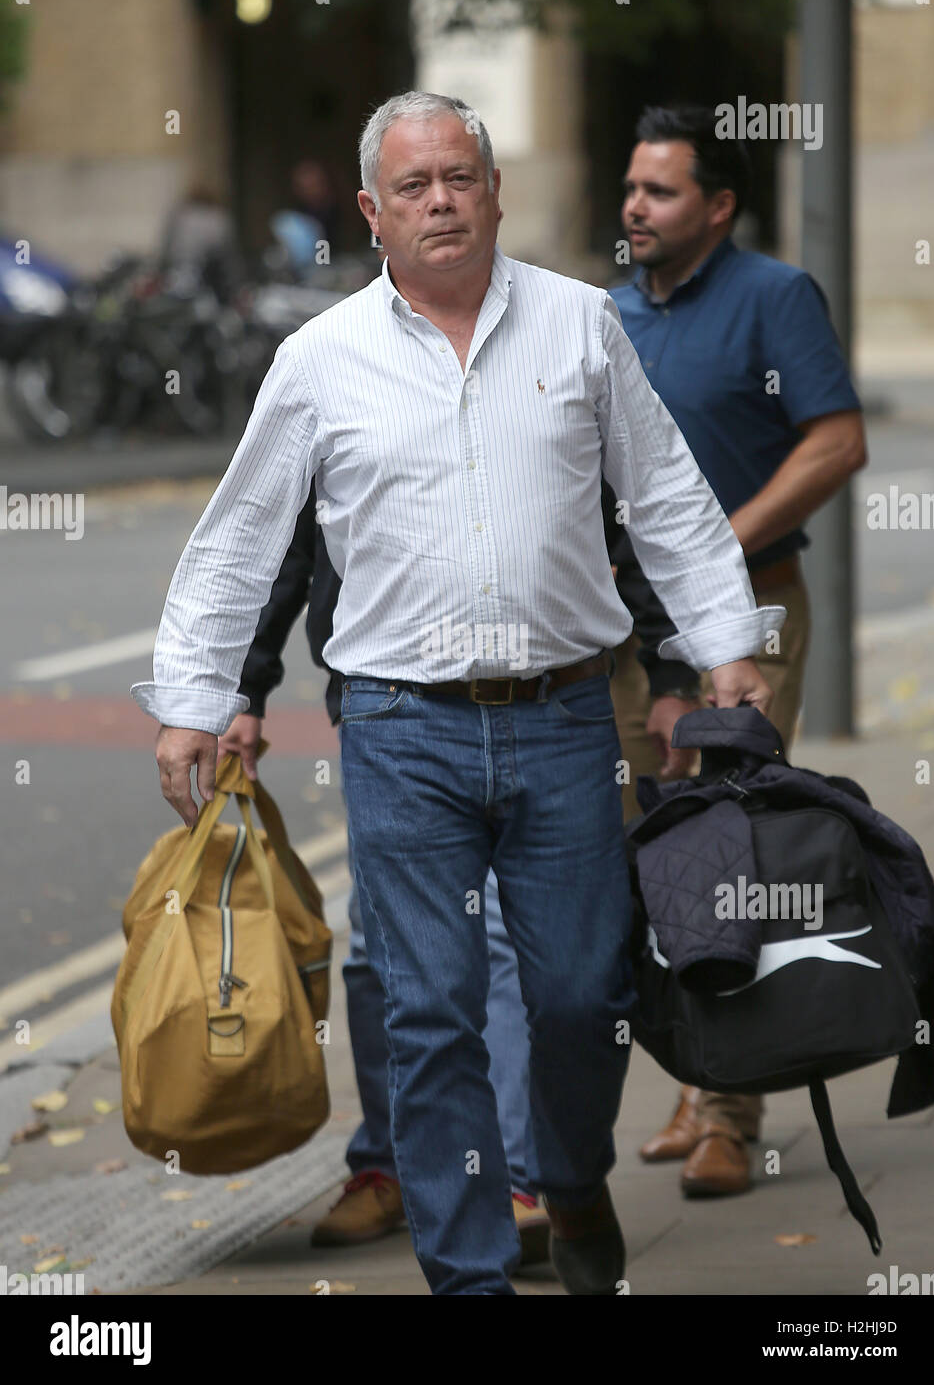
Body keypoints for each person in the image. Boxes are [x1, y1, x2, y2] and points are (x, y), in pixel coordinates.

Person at [131, 91, 782, 1296]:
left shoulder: (582, 325)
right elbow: (237, 543)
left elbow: (667, 497)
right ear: (373, 214)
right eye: (414, 186)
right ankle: (468, 1277)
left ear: (494, 194)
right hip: (397, 729)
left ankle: (572, 1182)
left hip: (562, 720)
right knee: (428, 1015)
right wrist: (195, 696)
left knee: (584, 1001)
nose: (441, 200)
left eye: (460, 178)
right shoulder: (317, 362)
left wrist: (723, 644)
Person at [218, 475, 703, 1266]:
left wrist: (672, 671)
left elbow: (633, 509)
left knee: (568, 986)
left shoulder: (560, 351)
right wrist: (245, 685)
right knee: (398, 967)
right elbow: (278, 538)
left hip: (553, 707)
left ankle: (541, 1177)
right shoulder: (331, 357)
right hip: (390, 707)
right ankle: (404, 1178)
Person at [609, 104, 866, 1198]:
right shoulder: (606, 311)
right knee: (649, 859)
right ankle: (691, 1076)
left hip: (750, 614)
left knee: (729, 855)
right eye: (630, 187)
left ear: (716, 205)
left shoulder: (772, 298)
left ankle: (730, 1115)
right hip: (625, 634)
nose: (633, 205)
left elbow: (837, 439)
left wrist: (722, 540)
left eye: (659, 190)